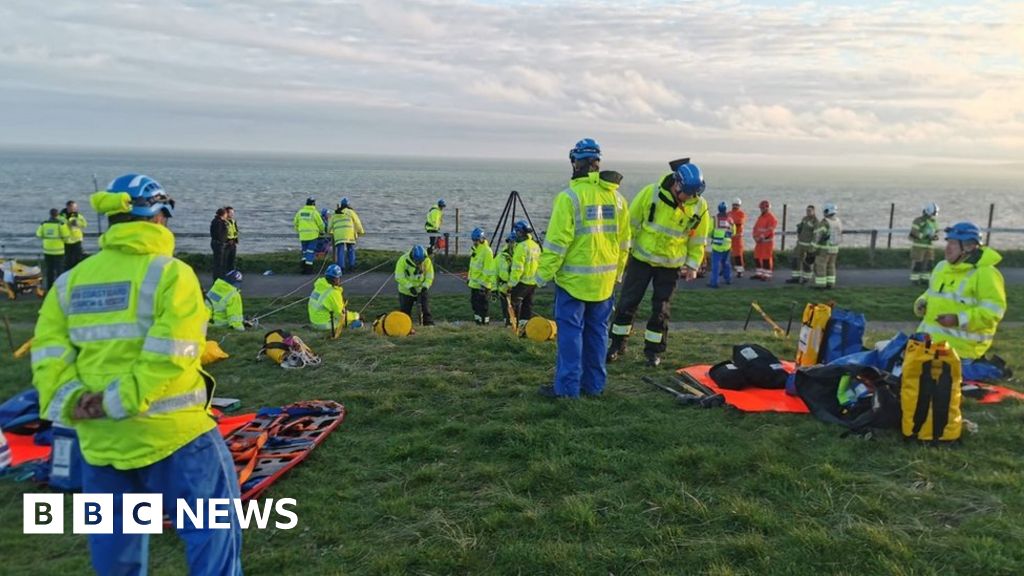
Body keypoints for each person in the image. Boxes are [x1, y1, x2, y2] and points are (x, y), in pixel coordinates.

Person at [32, 174, 242, 576]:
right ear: (159, 218)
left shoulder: (67, 283)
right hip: (176, 437)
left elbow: (48, 356)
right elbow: (172, 352)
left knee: (117, 554)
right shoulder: (172, 275)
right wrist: (120, 400)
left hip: (101, 444)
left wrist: (74, 400)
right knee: (212, 536)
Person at [536, 138, 630, 397]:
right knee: (598, 335)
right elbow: (624, 243)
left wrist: (540, 276)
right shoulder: (618, 199)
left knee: (570, 337)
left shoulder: (569, 198)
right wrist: (617, 275)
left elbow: (557, 243)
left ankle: (567, 390)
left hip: (573, 283)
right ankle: (595, 386)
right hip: (604, 283)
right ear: (597, 163)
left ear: (574, 162)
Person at [607, 161, 708, 367]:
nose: (690, 198)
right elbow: (630, 225)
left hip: (670, 266)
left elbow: (698, 239)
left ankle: (653, 352)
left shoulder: (699, 205)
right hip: (641, 260)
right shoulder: (650, 193)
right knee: (627, 303)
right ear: (676, 185)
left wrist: (692, 265)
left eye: (694, 194)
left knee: (661, 310)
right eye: (687, 193)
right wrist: (623, 255)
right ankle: (617, 345)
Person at [913, 222, 1006, 381]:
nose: (948, 248)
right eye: (948, 242)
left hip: (961, 350)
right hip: (928, 343)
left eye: (954, 244)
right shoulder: (942, 267)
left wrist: (958, 319)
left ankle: (982, 370)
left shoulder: (986, 274)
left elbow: (993, 312)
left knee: (934, 378)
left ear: (969, 247)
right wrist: (921, 302)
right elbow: (931, 293)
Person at [508, 220, 541, 331]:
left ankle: (514, 328)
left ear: (521, 233)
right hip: (533, 282)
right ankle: (525, 329)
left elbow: (518, 269)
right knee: (528, 306)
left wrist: (511, 284)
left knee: (513, 304)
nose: (515, 234)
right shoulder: (535, 246)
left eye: (516, 232)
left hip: (522, 282)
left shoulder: (521, 247)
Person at [308, 264, 360, 332]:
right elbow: (341, 315)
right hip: (323, 324)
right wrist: (356, 316)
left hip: (314, 321)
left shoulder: (319, 286)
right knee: (356, 323)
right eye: (339, 278)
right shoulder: (333, 293)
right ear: (336, 279)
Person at [395, 244, 435, 325]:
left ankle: (428, 326)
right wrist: (410, 287)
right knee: (405, 312)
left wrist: (426, 286)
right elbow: (399, 277)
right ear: (413, 258)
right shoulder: (403, 260)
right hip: (406, 291)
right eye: (417, 261)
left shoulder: (426, 260)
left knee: (425, 310)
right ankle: (405, 327)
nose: (419, 263)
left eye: (421, 261)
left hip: (421, 289)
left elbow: (430, 275)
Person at [36, 208, 70, 289]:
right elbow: (66, 236)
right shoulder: (61, 224)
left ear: (50, 214)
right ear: (57, 215)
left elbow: (38, 234)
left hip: (47, 250)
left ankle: (49, 287)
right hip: (59, 251)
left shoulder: (44, 224)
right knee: (59, 270)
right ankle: (60, 286)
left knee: (49, 270)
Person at [329, 197, 365, 273]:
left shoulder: (335, 213)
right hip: (349, 234)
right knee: (351, 250)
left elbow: (330, 225)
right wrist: (361, 231)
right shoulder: (351, 212)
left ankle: (341, 268)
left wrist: (329, 232)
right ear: (348, 205)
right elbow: (357, 223)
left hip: (339, 235)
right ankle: (352, 267)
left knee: (340, 251)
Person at [467, 227, 495, 325]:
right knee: (475, 305)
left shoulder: (487, 251)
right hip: (474, 284)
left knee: (483, 306)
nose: (474, 242)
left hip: (483, 285)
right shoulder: (476, 250)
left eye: (476, 240)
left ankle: (484, 324)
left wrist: (483, 285)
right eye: (473, 240)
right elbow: (472, 266)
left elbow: (488, 270)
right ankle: (478, 322)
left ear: (482, 239)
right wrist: (469, 278)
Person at [813, 203, 842, 289]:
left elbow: (817, 236)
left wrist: (812, 247)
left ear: (826, 211)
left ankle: (820, 285)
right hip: (835, 248)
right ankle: (830, 284)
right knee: (831, 266)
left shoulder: (825, 222)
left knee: (821, 266)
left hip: (825, 249)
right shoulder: (838, 221)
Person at [786, 205, 818, 284]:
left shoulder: (816, 221)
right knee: (795, 259)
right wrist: (799, 227)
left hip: (808, 245)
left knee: (807, 262)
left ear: (814, 211)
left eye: (810, 211)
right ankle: (795, 278)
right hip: (800, 244)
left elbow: (816, 235)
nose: (808, 212)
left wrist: (813, 246)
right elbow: (801, 227)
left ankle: (806, 279)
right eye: (807, 210)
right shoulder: (804, 219)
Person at [910, 202, 940, 285]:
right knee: (918, 264)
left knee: (929, 265)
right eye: (932, 213)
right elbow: (914, 233)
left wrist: (934, 237)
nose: (933, 215)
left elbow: (936, 233)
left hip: (929, 247)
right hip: (918, 247)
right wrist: (925, 235)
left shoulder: (933, 222)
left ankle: (925, 280)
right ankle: (915, 280)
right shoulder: (918, 221)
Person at [293, 197, 325, 274]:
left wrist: (299, 231)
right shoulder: (314, 212)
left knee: (305, 252)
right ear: (314, 204)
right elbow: (321, 224)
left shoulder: (300, 212)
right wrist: (322, 231)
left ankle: (303, 267)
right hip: (312, 236)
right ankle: (308, 269)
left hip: (303, 235)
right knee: (310, 252)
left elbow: (295, 223)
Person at [492, 232, 517, 326]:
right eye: (510, 242)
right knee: (506, 310)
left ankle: (515, 327)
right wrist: (494, 289)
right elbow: (494, 274)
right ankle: (507, 326)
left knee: (516, 311)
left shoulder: (519, 256)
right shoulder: (500, 257)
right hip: (504, 289)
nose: (512, 244)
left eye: (514, 242)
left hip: (517, 288)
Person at [708, 201, 735, 289]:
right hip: (727, 244)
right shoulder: (730, 219)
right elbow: (734, 232)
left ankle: (714, 282)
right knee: (726, 263)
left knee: (716, 264)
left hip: (717, 244)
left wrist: (711, 235)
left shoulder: (714, 219)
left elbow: (709, 231)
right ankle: (728, 279)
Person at [751, 200, 777, 281]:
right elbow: (755, 228)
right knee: (757, 257)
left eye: (763, 208)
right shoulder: (761, 217)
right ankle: (759, 273)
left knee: (766, 258)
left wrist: (762, 237)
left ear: (767, 208)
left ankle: (767, 275)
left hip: (767, 241)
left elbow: (770, 230)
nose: (761, 209)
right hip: (759, 242)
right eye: (761, 208)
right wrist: (755, 237)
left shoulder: (772, 218)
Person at [60, 200, 88, 270]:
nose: (74, 209)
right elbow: (59, 226)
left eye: (75, 207)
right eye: (73, 207)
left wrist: (77, 224)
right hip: (67, 241)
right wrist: (68, 224)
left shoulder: (78, 215)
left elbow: (85, 224)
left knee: (78, 258)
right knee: (68, 259)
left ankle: (78, 271)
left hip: (77, 240)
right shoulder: (61, 216)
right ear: (68, 207)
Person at [209, 207, 228, 281]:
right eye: (226, 214)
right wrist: (223, 241)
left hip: (217, 243)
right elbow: (219, 234)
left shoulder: (216, 221)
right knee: (219, 263)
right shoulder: (218, 222)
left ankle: (218, 277)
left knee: (219, 262)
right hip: (218, 244)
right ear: (223, 214)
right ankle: (218, 278)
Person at [729, 198, 746, 277]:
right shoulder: (728, 213)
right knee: (726, 254)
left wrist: (731, 222)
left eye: (737, 205)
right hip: (729, 237)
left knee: (738, 255)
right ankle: (726, 269)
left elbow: (739, 222)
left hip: (738, 237)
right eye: (734, 205)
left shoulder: (741, 213)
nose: (735, 206)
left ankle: (740, 271)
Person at [224, 206, 239, 273]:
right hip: (226, 243)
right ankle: (224, 274)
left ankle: (231, 273)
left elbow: (235, 231)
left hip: (233, 243)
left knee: (232, 260)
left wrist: (236, 240)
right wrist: (227, 241)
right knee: (225, 260)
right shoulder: (224, 221)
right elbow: (222, 233)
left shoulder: (233, 221)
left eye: (233, 212)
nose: (232, 214)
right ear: (226, 213)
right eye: (231, 212)